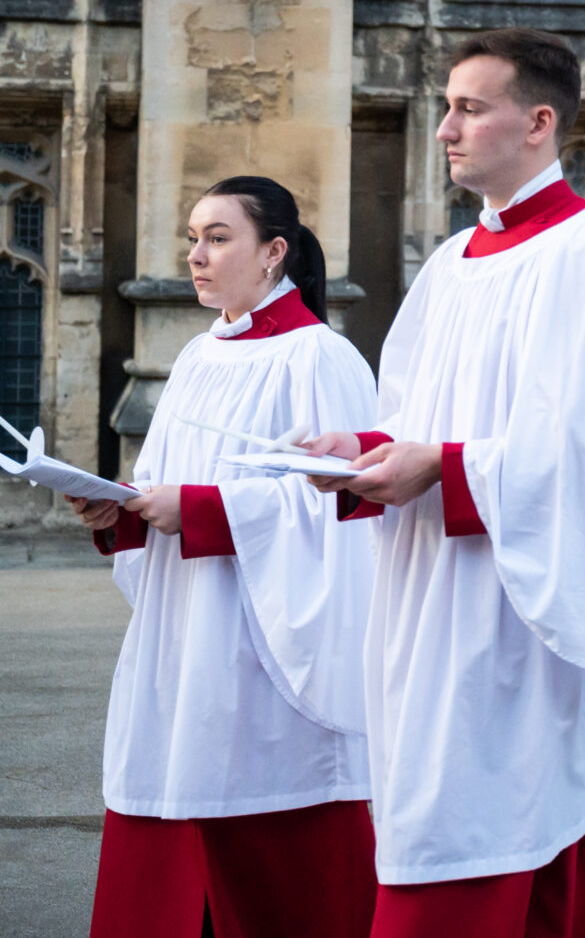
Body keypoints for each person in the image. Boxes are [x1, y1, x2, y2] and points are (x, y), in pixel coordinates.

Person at [304, 28, 585, 938]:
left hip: (523, 602)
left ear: (540, 122)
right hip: (430, 587)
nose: (444, 130)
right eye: (445, 108)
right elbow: (417, 413)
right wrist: (360, 445)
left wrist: (445, 466)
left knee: (490, 822)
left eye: (470, 108)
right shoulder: (450, 262)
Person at [71, 177, 378, 938]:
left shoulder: (322, 358)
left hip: (267, 647)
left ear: (274, 252)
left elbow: (342, 509)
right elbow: (163, 487)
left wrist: (202, 509)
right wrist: (121, 511)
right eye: (192, 237)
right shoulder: (198, 357)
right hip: (184, 632)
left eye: (217, 238)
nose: (195, 255)